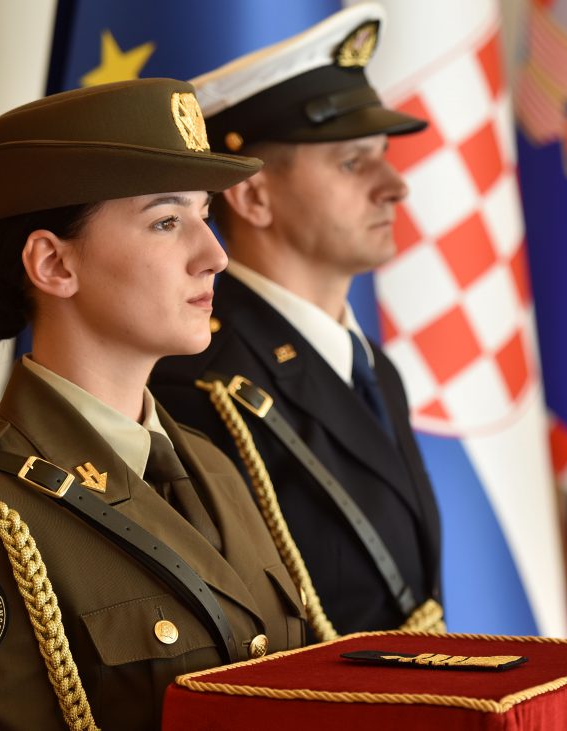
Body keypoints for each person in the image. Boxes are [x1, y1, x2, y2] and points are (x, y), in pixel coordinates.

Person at [0, 78, 306, 730]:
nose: (214, 254)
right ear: (53, 263)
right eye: (167, 221)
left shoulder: (215, 465)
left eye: (205, 215)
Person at [149, 3, 442, 639]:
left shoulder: (369, 366)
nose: (395, 185)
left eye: (383, 157)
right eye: (352, 162)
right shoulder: (202, 386)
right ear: (253, 196)